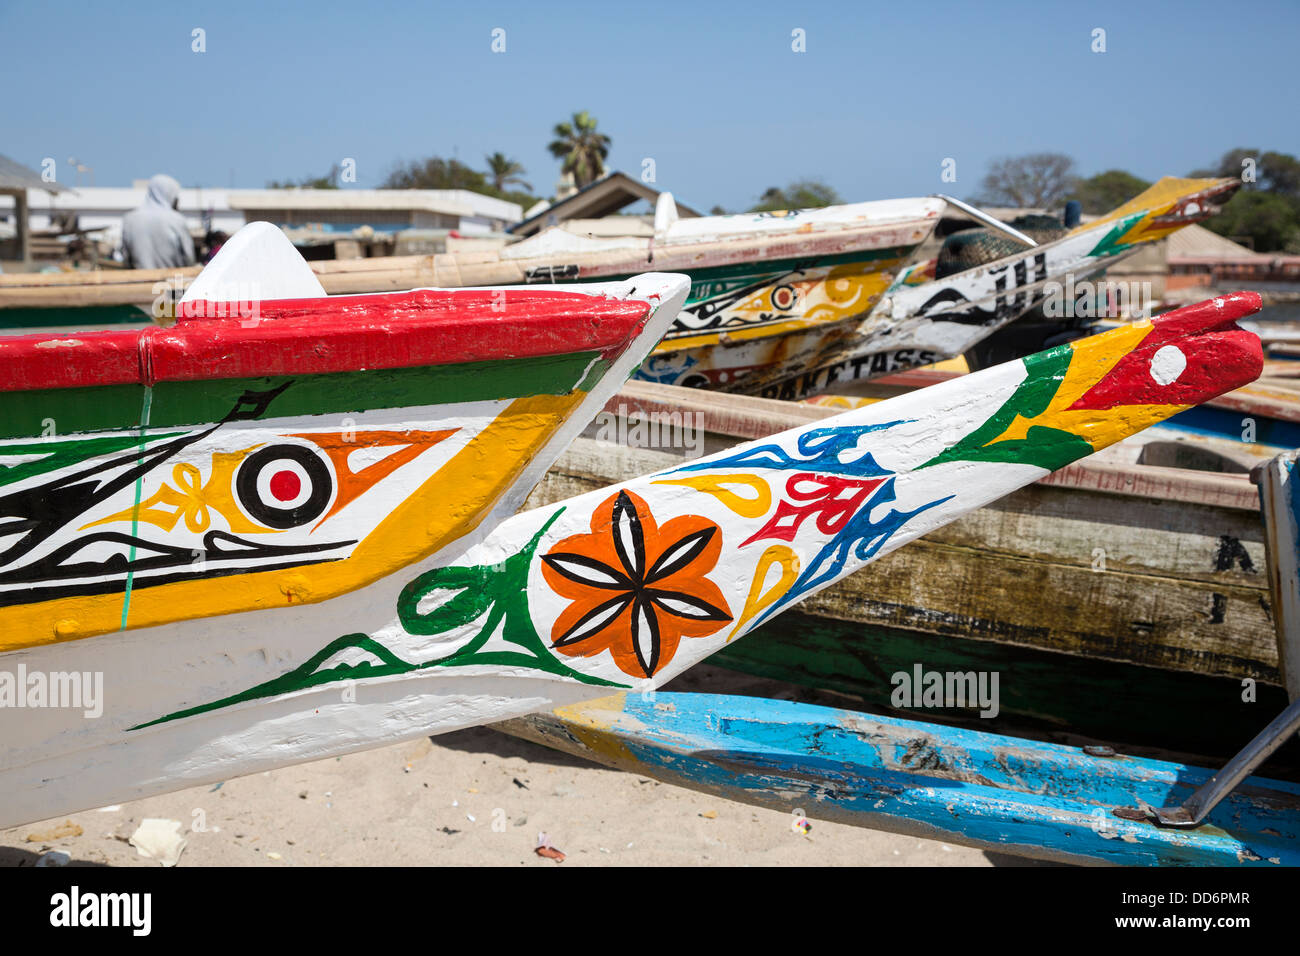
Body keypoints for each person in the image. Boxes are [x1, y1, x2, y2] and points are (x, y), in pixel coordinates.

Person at [120, 174, 196, 269]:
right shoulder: (177, 220)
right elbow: (188, 258)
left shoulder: (129, 219)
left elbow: (126, 258)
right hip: (172, 281)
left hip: (140, 281)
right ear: (170, 194)